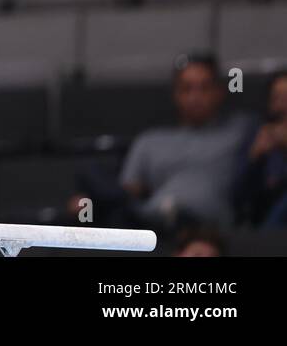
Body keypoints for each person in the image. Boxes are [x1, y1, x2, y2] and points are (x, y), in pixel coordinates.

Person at [67, 54, 257, 234]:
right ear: (176, 94)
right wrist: (91, 202)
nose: (195, 97)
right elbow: (126, 193)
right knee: (90, 174)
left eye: (204, 87)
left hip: (207, 228)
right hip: (154, 222)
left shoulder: (240, 129)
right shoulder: (151, 140)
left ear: (219, 92)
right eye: (187, 89)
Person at [234, 71, 287, 227]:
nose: (284, 106)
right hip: (265, 220)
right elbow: (238, 198)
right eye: (279, 98)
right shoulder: (258, 134)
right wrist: (255, 158)